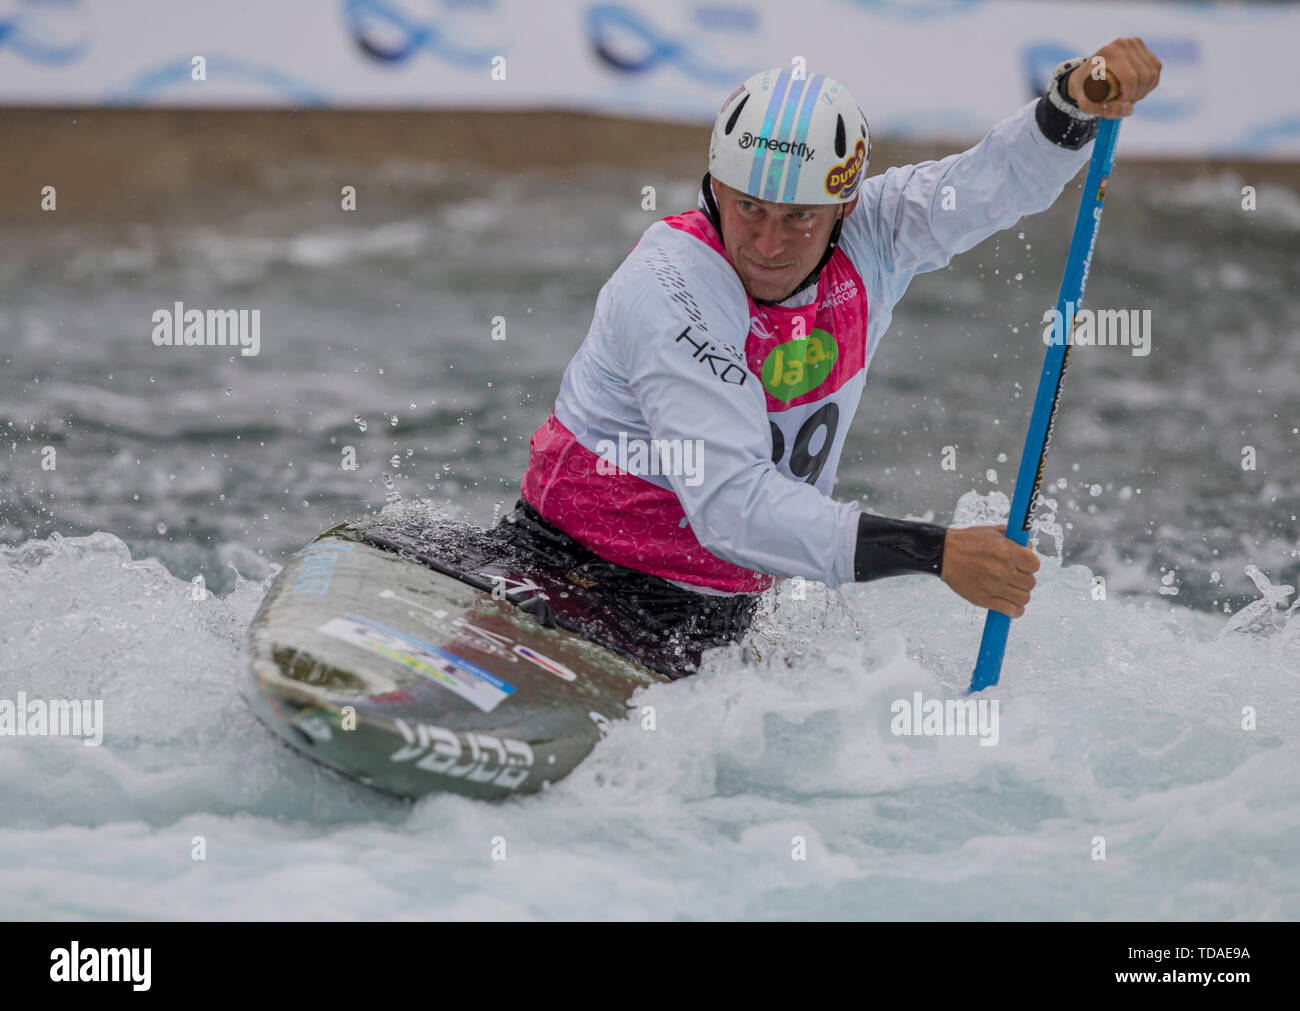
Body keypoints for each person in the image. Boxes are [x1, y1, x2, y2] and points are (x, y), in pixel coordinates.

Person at [488, 39, 1162, 678]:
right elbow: (731, 507)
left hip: (715, 622)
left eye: (799, 217)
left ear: (842, 207)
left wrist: (1074, 100)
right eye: (749, 207)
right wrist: (936, 553)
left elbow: (995, 180)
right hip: (563, 580)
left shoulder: (875, 235)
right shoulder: (669, 286)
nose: (769, 243)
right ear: (716, 187)